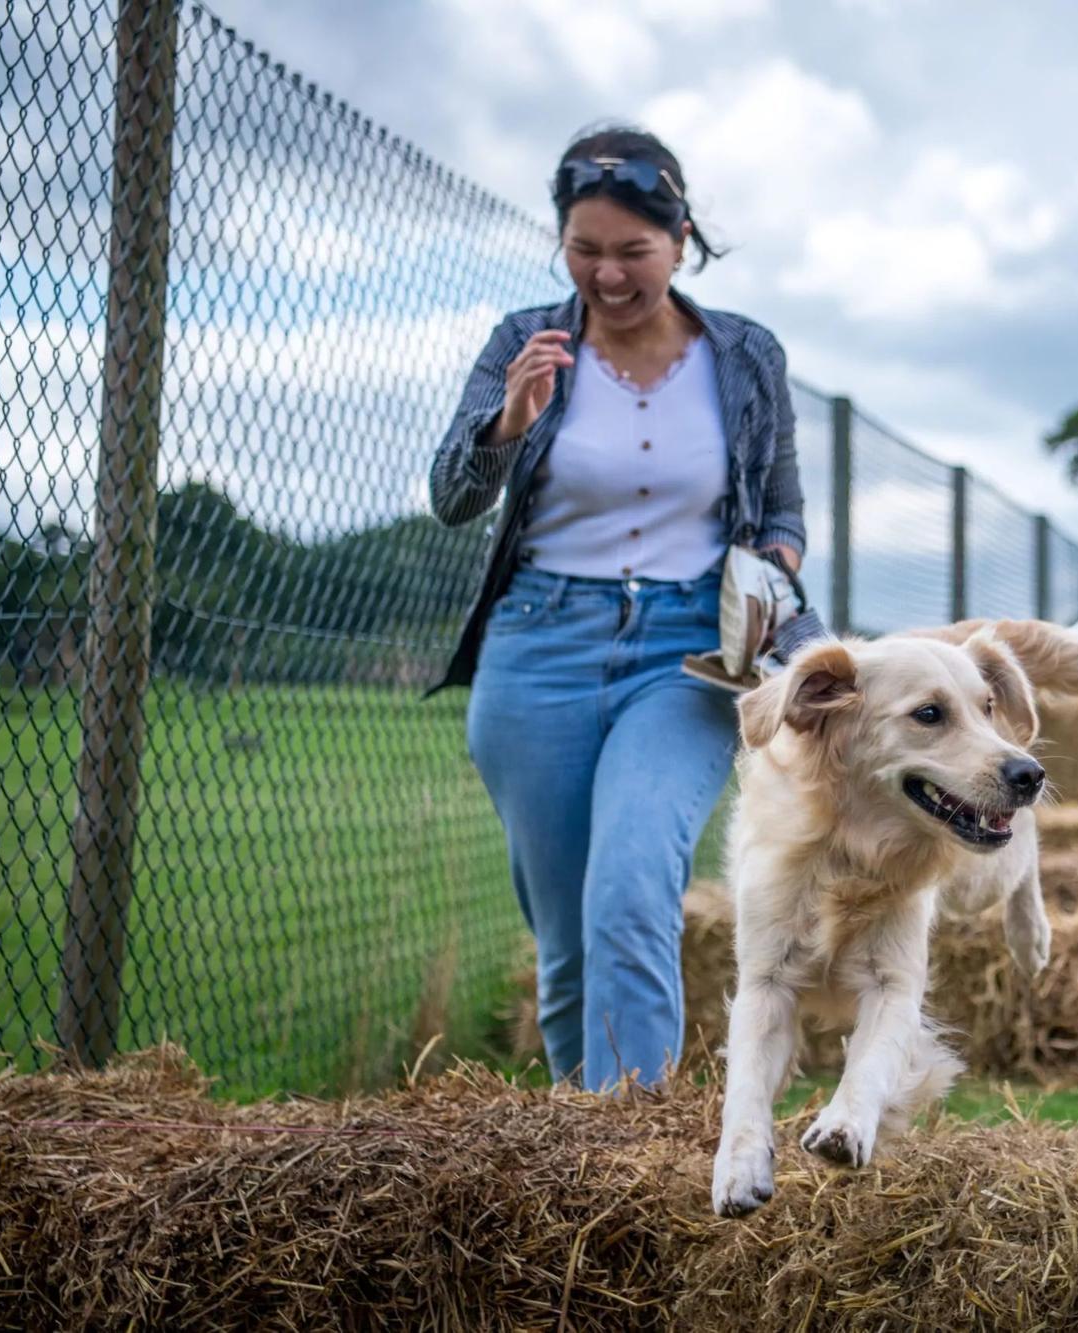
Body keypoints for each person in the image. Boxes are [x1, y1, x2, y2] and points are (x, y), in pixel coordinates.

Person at [427, 124, 806, 1090]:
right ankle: (582, 1155)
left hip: (684, 656)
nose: (607, 274)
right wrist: (506, 422)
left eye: (632, 251)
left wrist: (777, 567)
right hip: (537, 649)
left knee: (631, 890)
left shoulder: (748, 355)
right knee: (565, 944)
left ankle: (633, 1158)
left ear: (680, 239)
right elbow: (452, 497)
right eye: (584, 249)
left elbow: (785, 509)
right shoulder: (526, 340)